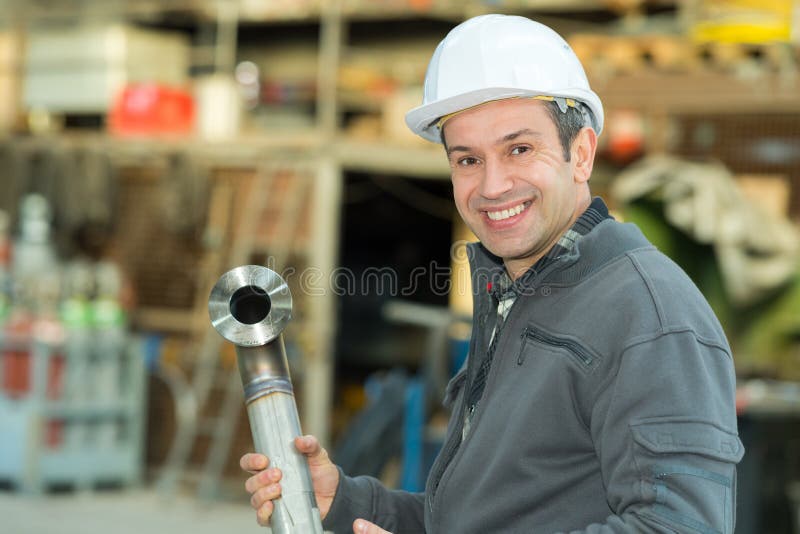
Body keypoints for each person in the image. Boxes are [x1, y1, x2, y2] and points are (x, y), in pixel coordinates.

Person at [240, 14, 743, 534]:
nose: (492, 185)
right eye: (467, 160)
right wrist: (344, 502)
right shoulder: (517, 294)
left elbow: (680, 527)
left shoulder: (649, 316)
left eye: (519, 149)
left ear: (582, 153)